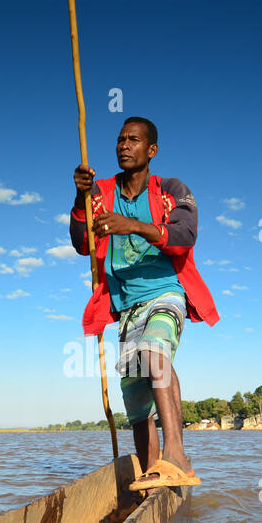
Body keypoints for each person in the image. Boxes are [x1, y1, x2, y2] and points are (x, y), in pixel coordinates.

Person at [70, 116, 218, 489]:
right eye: (120, 140)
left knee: (155, 353)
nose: (123, 146)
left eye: (133, 140)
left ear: (151, 150)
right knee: (136, 402)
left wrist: (132, 225)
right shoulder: (102, 192)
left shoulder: (170, 189)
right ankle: (153, 473)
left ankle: (177, 456)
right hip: (125, 306)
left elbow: (185, 235)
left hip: (165, 293)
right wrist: (79, 198)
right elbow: (81, 243)